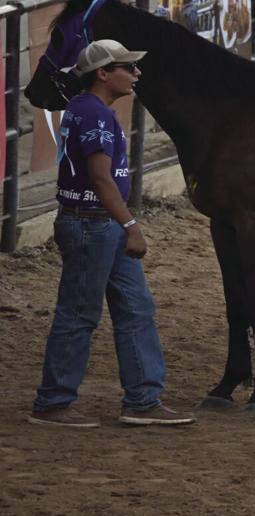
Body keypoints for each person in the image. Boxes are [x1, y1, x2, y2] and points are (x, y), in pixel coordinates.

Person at [28, 40, 192, 428]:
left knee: (133, 309)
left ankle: (143, 398)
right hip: (96, 222)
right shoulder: (96, 116)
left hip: (96, 221)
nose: (135, 74)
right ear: (103, 73)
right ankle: (55, 402)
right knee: (83, 313)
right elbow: (101, 179)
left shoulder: (85, 110)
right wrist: (131, 226)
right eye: (127, 67)